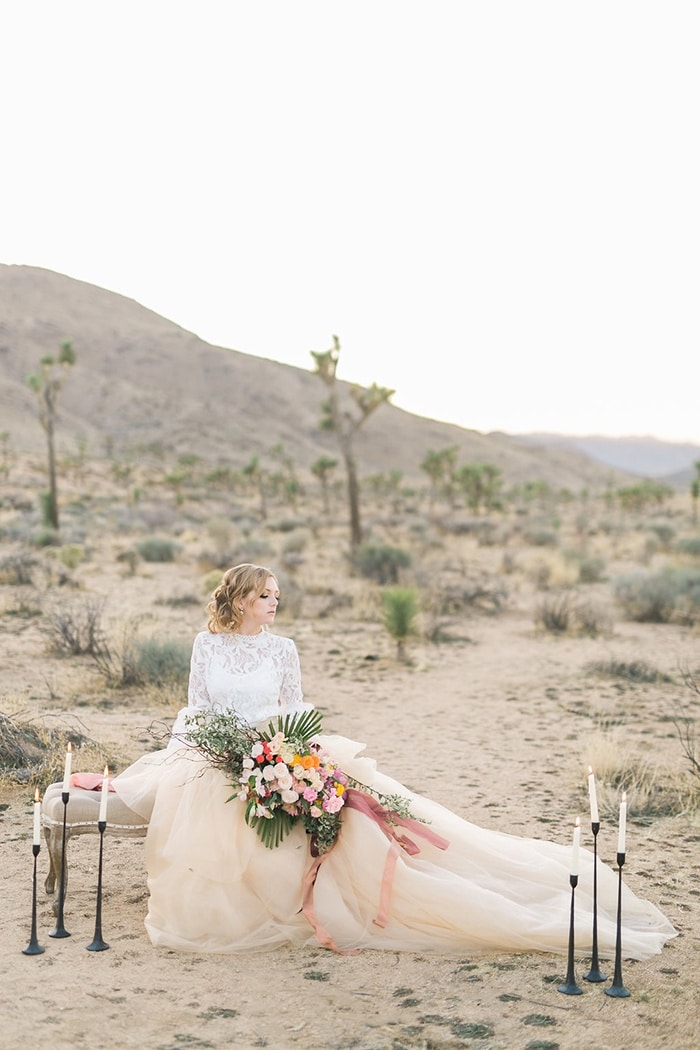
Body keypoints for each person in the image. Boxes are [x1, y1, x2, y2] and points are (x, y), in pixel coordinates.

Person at [113, 563, 676, 958]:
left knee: (353, 824)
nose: (275, 604)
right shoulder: (205, 645)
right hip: (217, 756)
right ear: (238, 599)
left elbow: (294, 708)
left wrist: (285, 758)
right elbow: (197, 707)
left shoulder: (282, 649)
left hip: (278, 752)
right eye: (266, 596)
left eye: (277, 595)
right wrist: (211, 753)